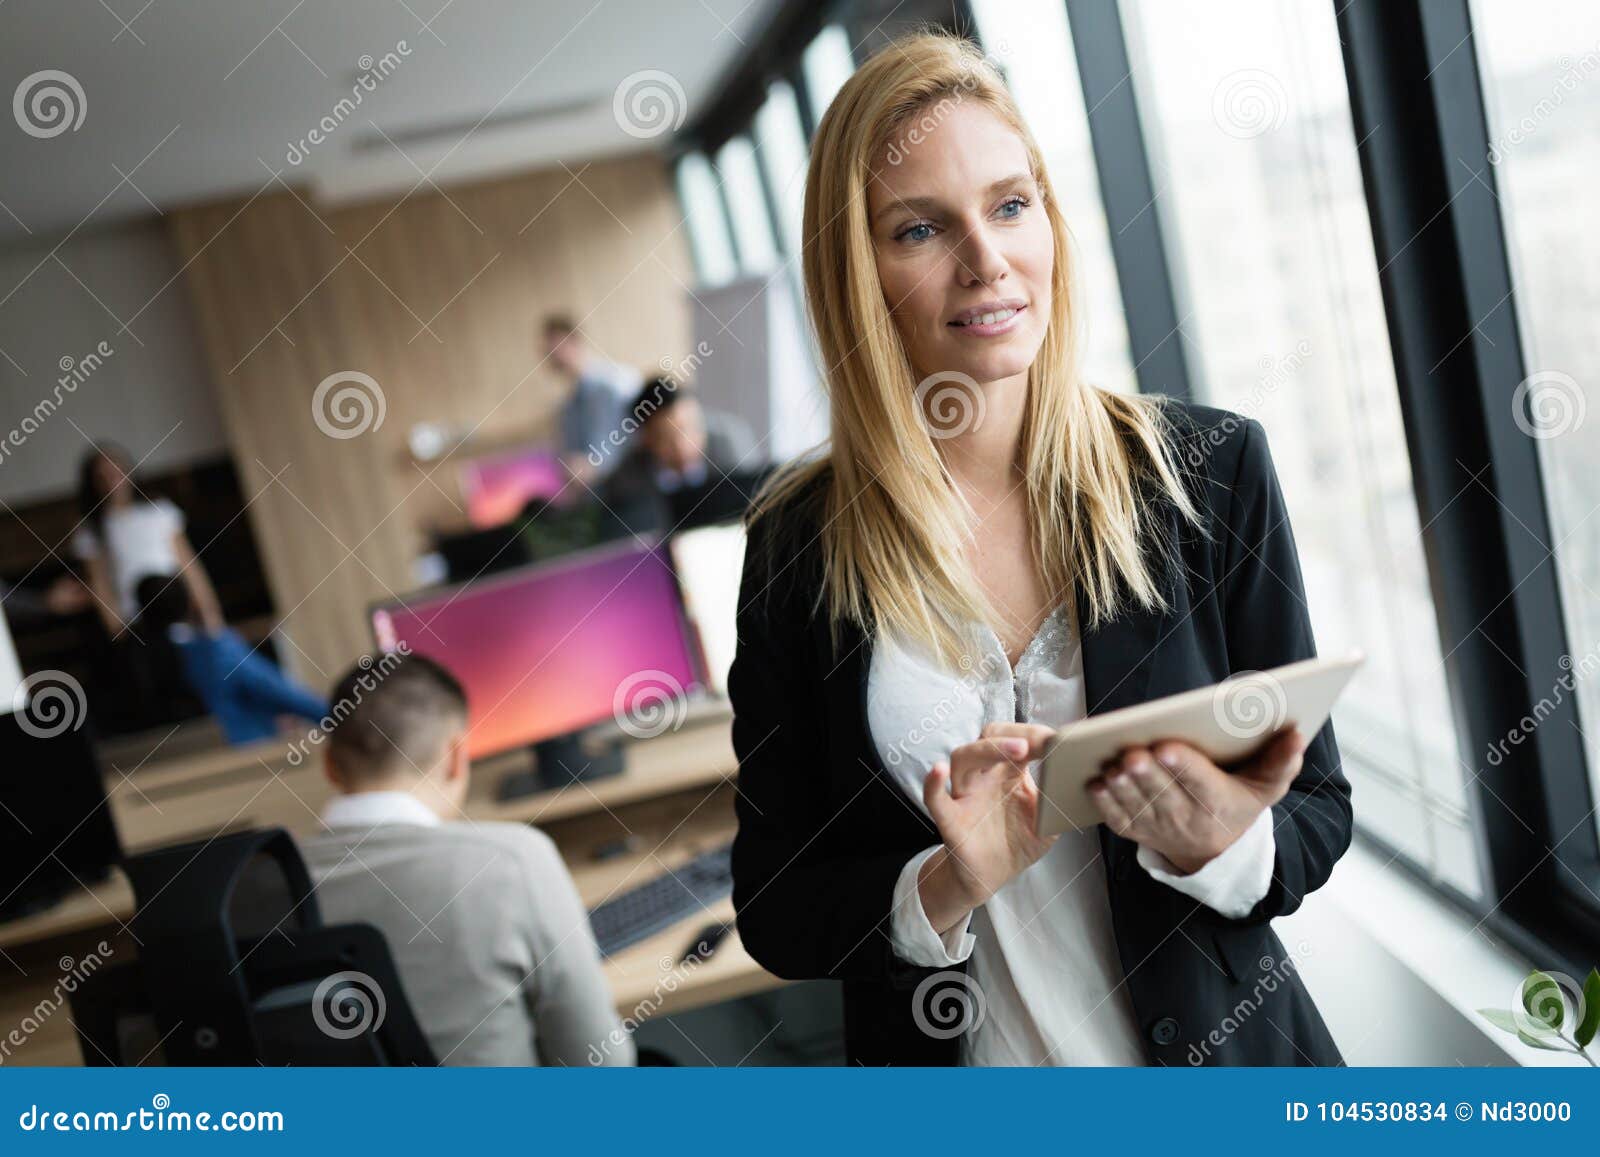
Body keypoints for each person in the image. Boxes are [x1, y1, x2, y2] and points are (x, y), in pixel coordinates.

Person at [727, 32, 1352, 1068]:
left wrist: (1224, 847)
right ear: (854, 271)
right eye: (920, 228)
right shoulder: (798, 545)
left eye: (1010, 205)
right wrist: (944, 881)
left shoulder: (1208, 468)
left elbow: (1317, 812)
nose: (987, 261)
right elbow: (777, 902)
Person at [299, 653, 632, 1067]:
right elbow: (601, 1064)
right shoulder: (514, 861)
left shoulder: (263, 891)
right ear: (458, 755)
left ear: (329, 766)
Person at [135, 575, 327, 744]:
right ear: (190, 602)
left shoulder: (135, 659)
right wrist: (336, 716)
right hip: (249, 753)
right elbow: (283, 694)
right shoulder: (216, 650)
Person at [73, 444, 222, 635]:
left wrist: (209, 610)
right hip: (136, 623)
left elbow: (189, 565)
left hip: (177, 611)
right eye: (103, 477)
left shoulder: (159, 511)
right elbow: (100, 586)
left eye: (117, 472)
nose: (112, 481)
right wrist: (118, 631)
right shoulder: (91, 528)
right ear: (93, 483)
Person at [601, 379, 765, 535]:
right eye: (667, 437)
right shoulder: (625, 482)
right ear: (645, 439)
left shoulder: (730, 445)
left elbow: (754, 509)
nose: (682, 445)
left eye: (689, 428)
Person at [541, 315, 642, 487]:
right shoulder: (568, 405)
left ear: (574, 341)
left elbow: (625, 444)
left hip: (627, 482)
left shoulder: (613, 383)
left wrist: (590, 467)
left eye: (555, 344)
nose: (549, 352)